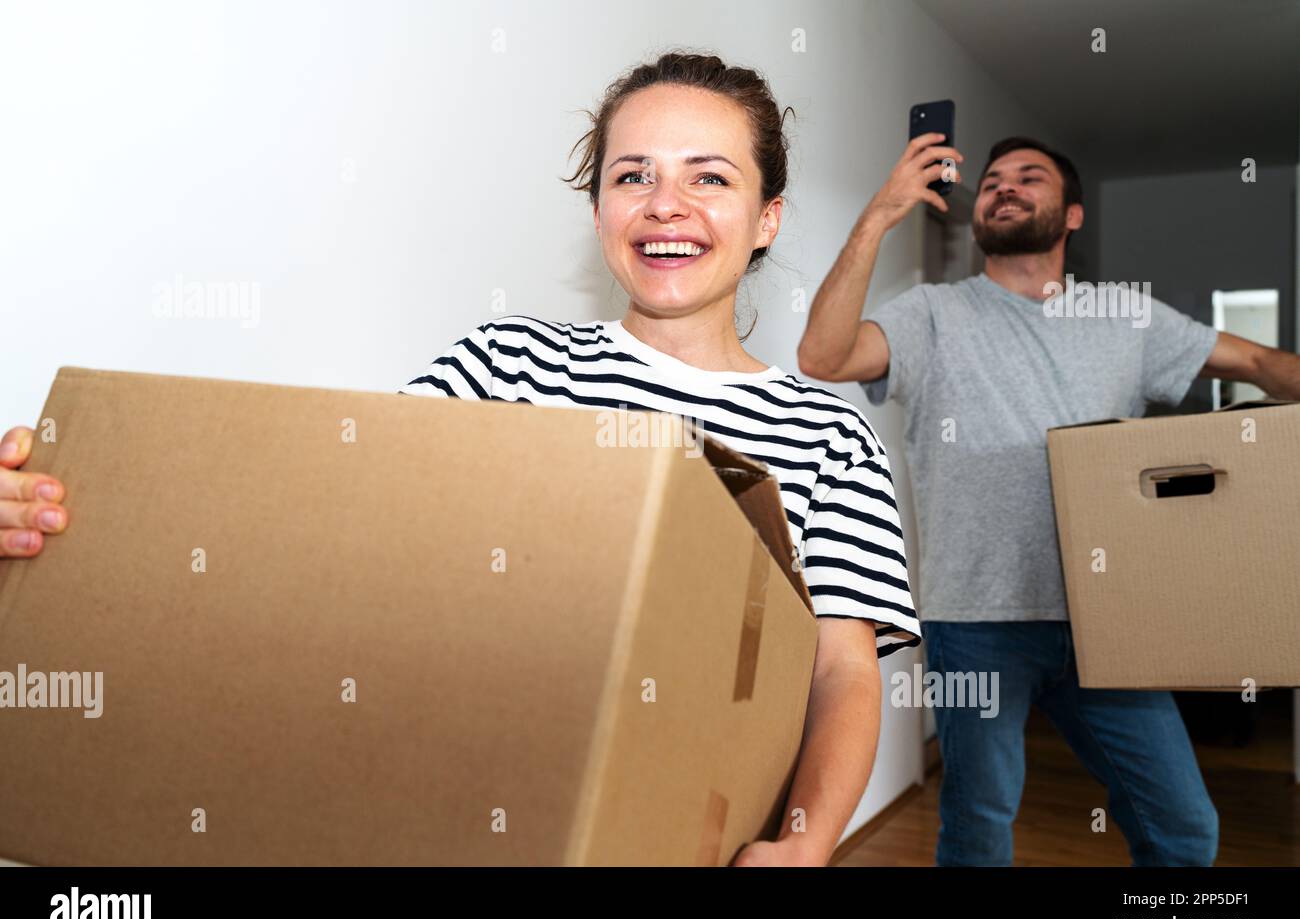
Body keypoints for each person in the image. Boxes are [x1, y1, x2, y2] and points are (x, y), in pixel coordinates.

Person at [0, 51, 922, 867]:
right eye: (631, 174)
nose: (664, 204)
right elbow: (326, 509)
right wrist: (66, 510)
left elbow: (841, 672)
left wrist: (803, 841)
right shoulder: (504, 359)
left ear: (768, 218)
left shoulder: (831, 436)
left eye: (709, 178)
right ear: (598, 209)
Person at [797, 133, 1300, 866]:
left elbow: (1257, 362)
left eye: (1029, 177)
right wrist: (879, 215)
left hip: (1108, 616)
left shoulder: (1127, 316)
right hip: (973, 616)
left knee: (1184, 829)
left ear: (1071, 216)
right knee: (977, 828)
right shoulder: (932, 312)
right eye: (994, 179)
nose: (1005, 186)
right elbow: (823, 356)